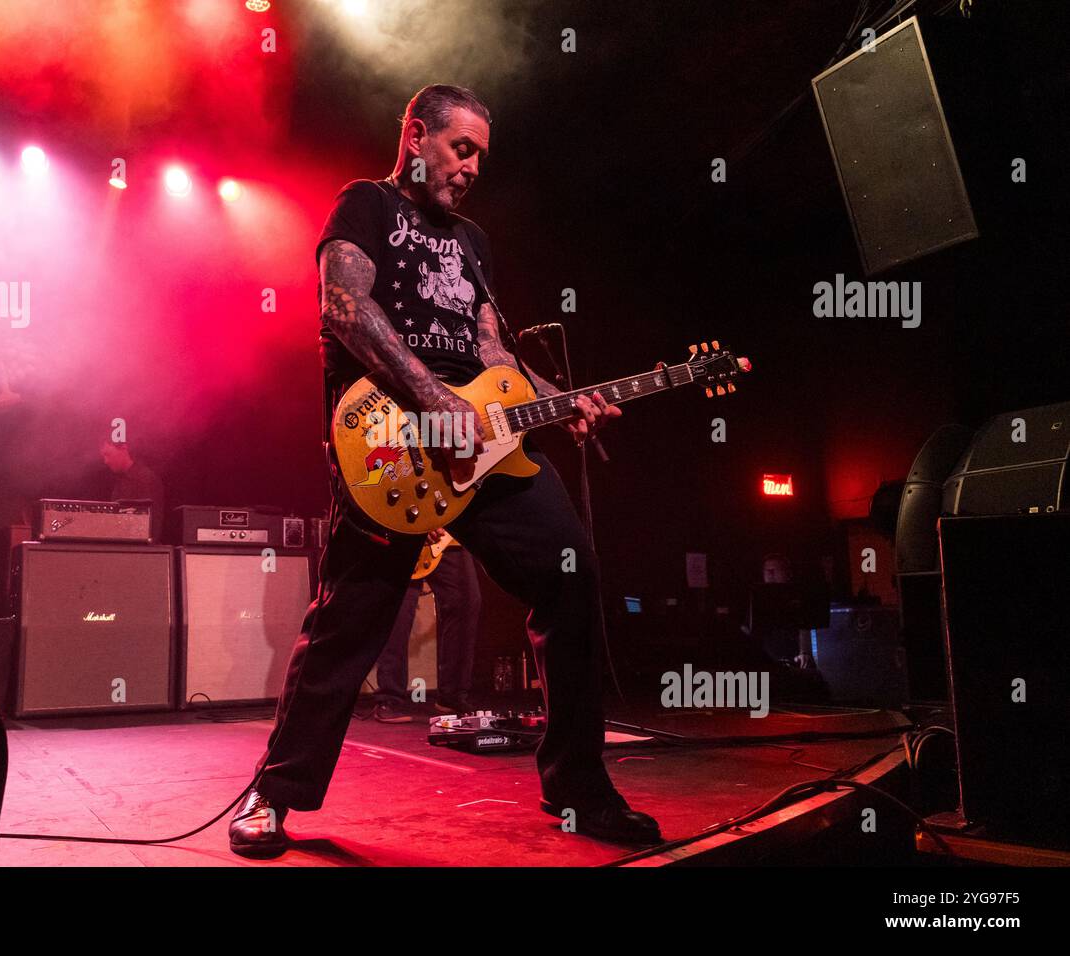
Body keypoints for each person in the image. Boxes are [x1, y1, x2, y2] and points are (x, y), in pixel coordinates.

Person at [229, 84, 661, 857]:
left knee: (573, 575)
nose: (470, 169)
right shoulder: (364, 205)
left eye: (481, 160)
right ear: (416, 136)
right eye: (461, 149)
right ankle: (274, 793)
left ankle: (577, 786)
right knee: (347, 621)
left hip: (487, 444)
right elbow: (344, 308)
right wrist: (431, 398)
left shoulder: (473, 242)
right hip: (392, 438)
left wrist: (560, 400)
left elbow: (493, 352)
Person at [373, 529, 480, 722]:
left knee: (465, 602)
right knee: (399, 611)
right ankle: (389, 698)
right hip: (407, 529)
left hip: (450, 536)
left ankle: (452, 696)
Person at [99, 437, 165, 543]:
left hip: (142, 552)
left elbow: (153, 526)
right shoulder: (119, 483)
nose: (106, 461)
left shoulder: (146, 479)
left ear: (124, 448)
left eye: (108, 454)